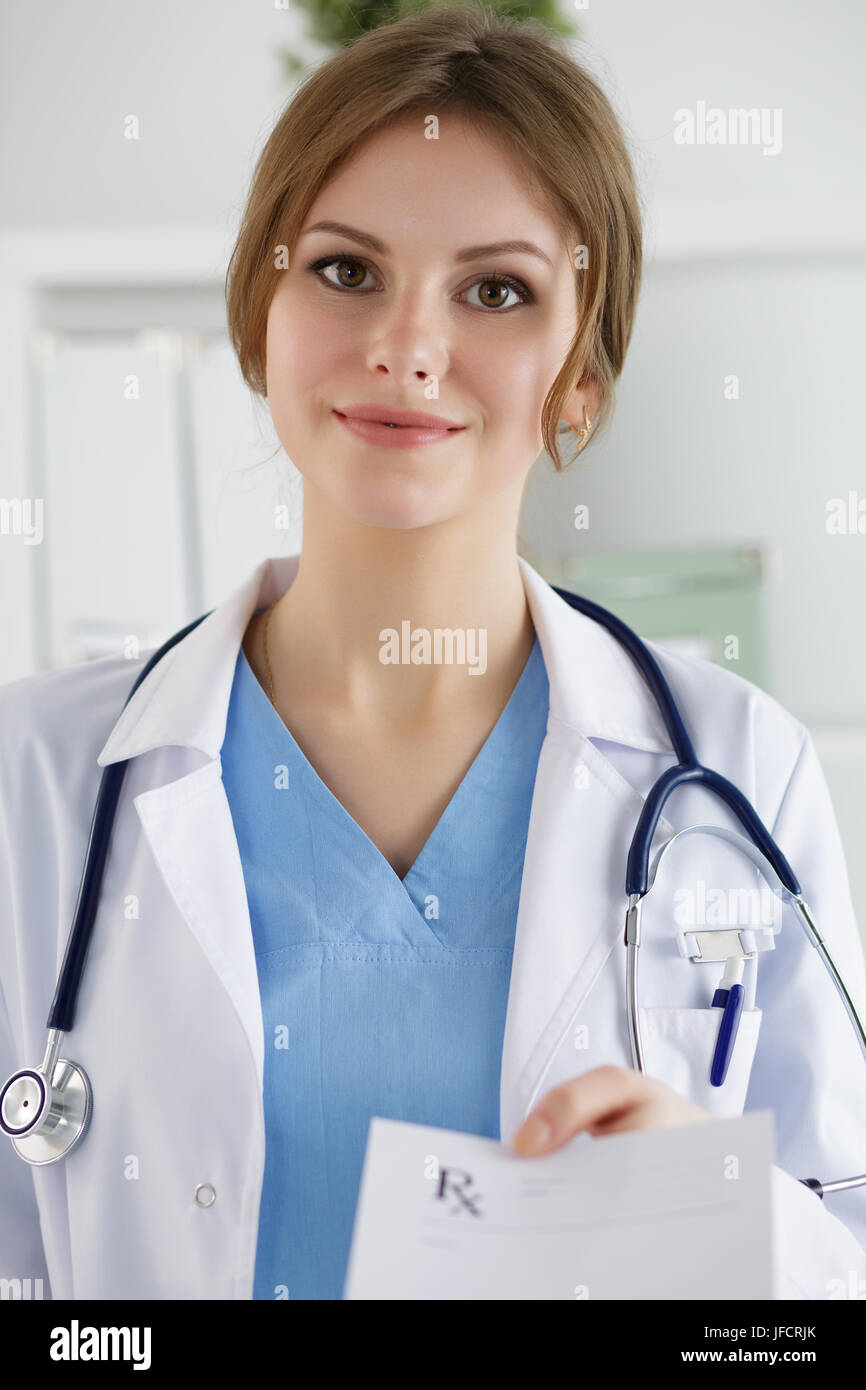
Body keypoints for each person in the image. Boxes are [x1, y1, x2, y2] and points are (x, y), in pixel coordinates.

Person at [2, 2, 865, 1301]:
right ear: (261, 310)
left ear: (580, 371)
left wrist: (727, 1218)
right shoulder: (42, 778)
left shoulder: (740, 771)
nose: (407, 345)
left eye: (497, 289)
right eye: (345, 269)